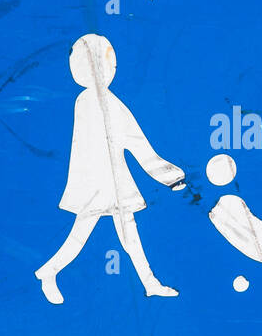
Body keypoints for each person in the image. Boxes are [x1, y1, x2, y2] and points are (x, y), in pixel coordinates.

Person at [35, 34, 185, 302]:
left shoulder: (112, 103)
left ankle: (150, 283)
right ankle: (48, 271)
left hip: (115, 183)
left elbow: (138, 144)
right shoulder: (87, 102)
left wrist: (171, 178)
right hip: (99, 186)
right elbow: (98, 148)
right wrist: (170, 178)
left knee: (129, 236)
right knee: (81, 236)